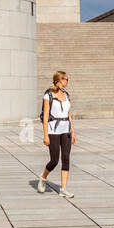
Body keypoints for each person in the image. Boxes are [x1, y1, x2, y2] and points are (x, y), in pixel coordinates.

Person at [38, 70, 75, 198]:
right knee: (54, 160)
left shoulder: (66, 95)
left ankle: (63, 189)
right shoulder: (48, 95)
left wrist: (73, 132)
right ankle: (43, 178)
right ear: (58, 80)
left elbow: (68, 114)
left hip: (66, 130)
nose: (67, 81)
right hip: (53, 130)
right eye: (65, 79)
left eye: (67, 79)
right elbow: (46, 116)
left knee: (66, 159)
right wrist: (45, 135)